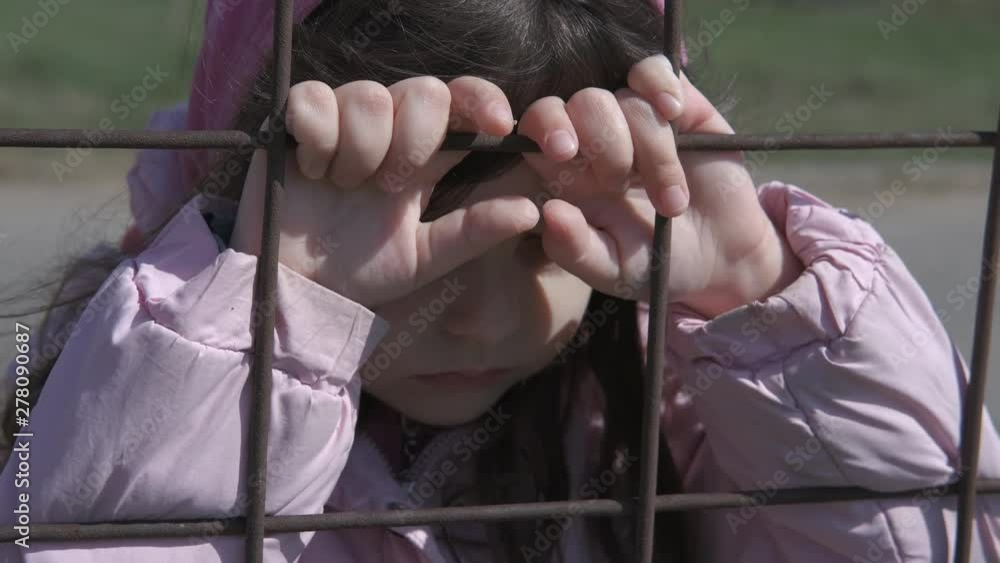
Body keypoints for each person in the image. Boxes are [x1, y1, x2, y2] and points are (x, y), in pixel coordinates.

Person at [3, 0, 999, 561]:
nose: (477, 318)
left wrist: (756, 296)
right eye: (419, 235)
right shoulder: (107, 385)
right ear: (239, 197)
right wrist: (265, 314)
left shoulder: (685, 410)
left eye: (543, 237)